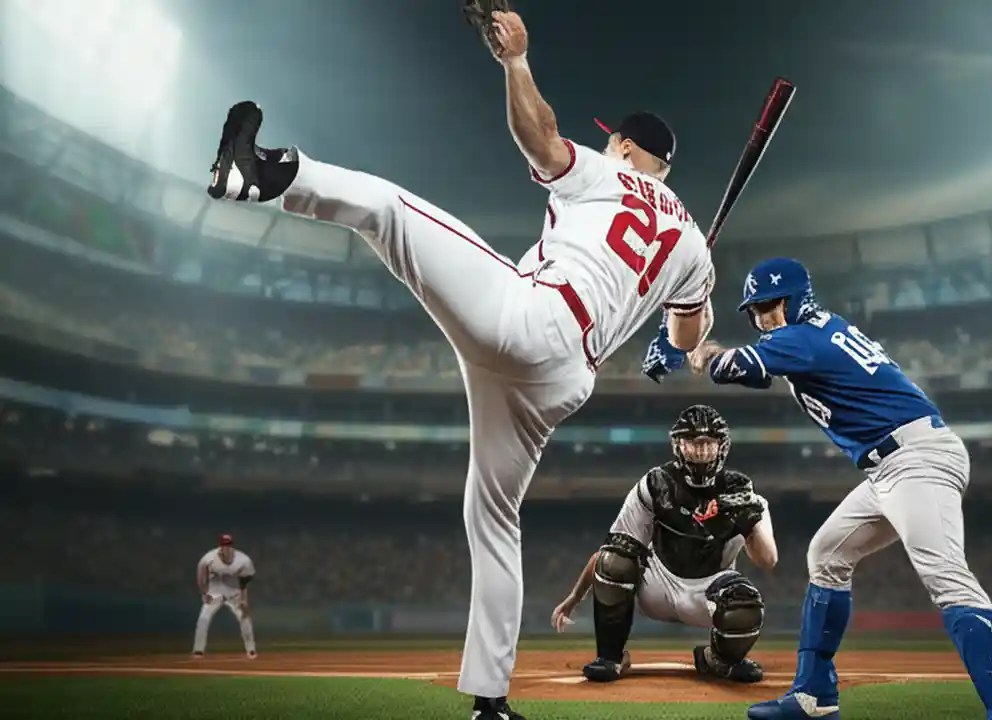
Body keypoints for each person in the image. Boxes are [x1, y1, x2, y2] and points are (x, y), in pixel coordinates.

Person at [205, 10, 715, 720]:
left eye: (612, 139)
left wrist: (517, 62)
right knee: (493, 518)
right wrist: (691, 297)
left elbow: (540, 141)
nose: (607, 143)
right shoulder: (693, 247)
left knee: (390, 209)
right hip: (563, 381)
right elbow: (688, 339)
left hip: (532, 317)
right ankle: (490, 701)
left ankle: (259, 175)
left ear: (626, 145)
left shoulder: (608, 173)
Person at [651, 257, 992, 720]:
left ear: (795, 300)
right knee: (827, 555)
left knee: (947, 578)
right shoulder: (816, 331)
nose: (762, 318)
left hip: (916, 460)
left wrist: (705, 352)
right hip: (889, 467)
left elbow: (733, 368)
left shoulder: (803, 337)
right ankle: (814, 698)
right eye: (755, 311)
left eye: (770, 306)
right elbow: (762, 368)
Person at [550, 405, 778, 684]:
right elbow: (611, 551)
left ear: (722, 446)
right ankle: (611, 657)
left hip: (710, 591)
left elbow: (768, 560)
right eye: (692, 442)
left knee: (745, 604)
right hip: (656, 586)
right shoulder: (655, 484)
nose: (700, 451)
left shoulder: (745, 494)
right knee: (615, 561)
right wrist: (574, 598)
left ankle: (717, 659)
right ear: (678, 445)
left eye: (707, 443)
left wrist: (747, 519)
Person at [192, 534, 257, 659]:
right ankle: (198, 650)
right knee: (204, 617)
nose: (226, 548)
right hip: (215, 594)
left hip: (234, 594)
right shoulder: (208, 558)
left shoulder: (244, 560)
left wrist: (244, 600)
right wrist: (204, 593)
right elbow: (201, 576)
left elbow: (244, 582)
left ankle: (251, 649)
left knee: (244, 617)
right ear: (220, 546)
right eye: (224, 545)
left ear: (232, 546)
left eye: (228, 545)